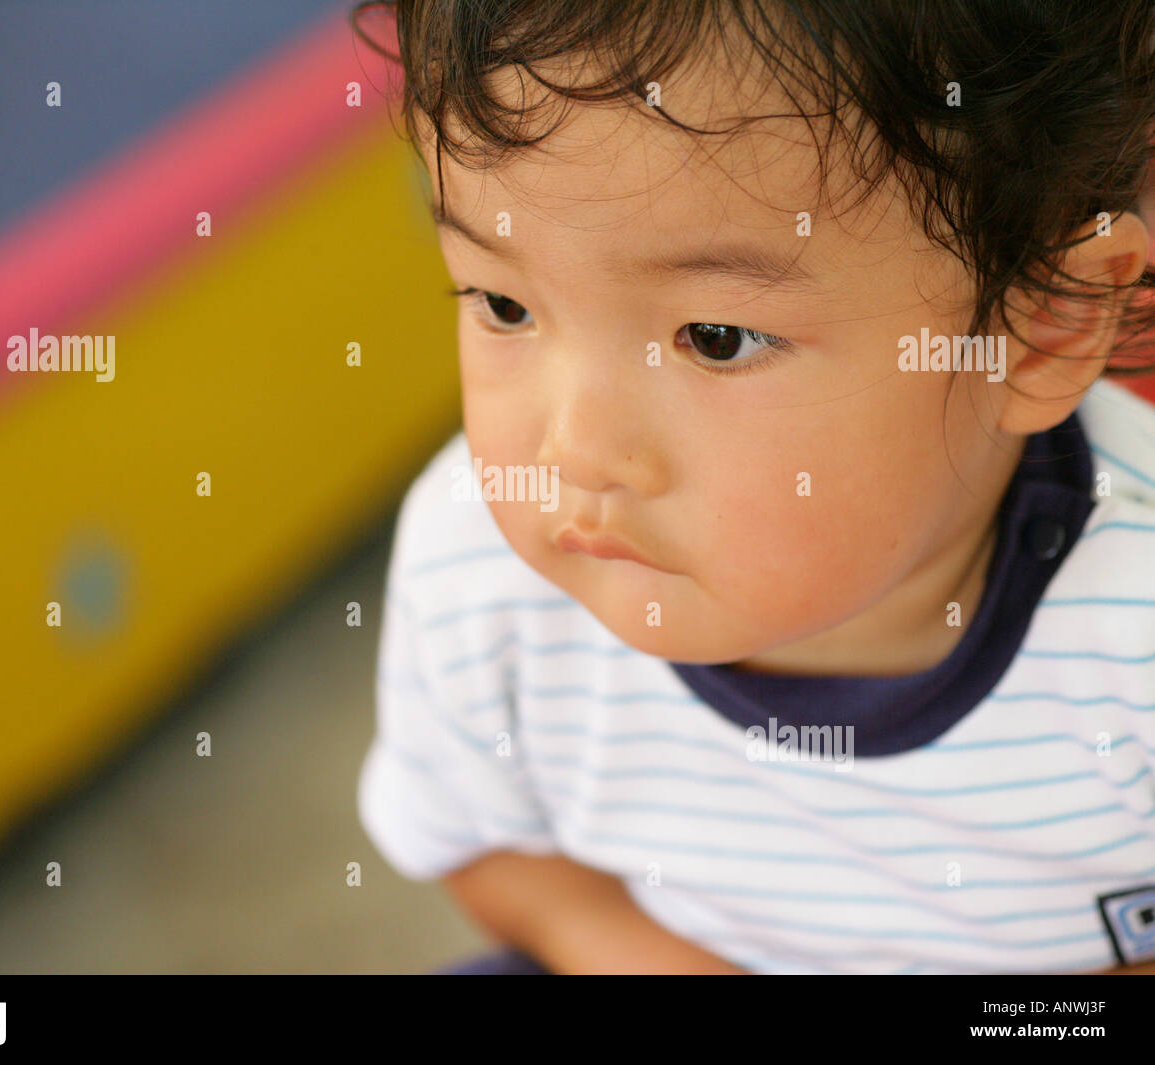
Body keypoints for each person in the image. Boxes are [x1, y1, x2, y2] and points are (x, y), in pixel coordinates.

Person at [353, 0, 1155, 974]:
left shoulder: (1131, 633)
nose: (573, 449)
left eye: (716, 339)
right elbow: (487, 849)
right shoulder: (473, 568)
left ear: (1042, 328)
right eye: (506, 304)